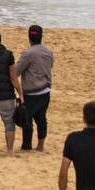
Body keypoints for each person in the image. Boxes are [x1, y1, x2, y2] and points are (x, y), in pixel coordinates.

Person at [16, 24, 54, 152]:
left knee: (27, 121)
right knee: (42, 119)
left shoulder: (28, 53)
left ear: (29, 38)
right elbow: (50, 65)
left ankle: (27, 146)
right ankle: (40, 145)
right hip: (45, 91)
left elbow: (16, 71)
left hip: (31, 93)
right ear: (41, 37)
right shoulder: (48, 52)